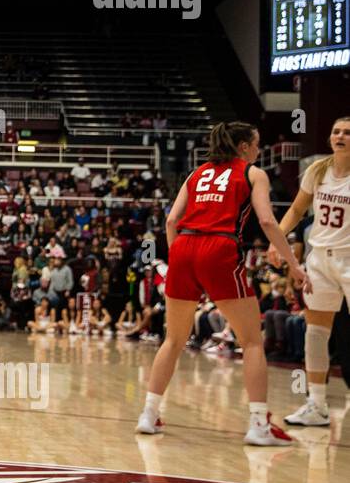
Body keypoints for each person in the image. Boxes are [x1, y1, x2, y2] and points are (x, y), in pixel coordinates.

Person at [136, 121, 307, 445]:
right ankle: (258, 424)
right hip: (219, 246)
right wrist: (293, 263)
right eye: (256, 144)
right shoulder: (253, 173)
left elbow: (172, 220)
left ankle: (149, 414)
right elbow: (268, 221)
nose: (258, 150)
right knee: (253, 341)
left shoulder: (197, 172)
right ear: (244, 147)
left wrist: (182, 260)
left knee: (173, 340)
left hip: (184, 246)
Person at [274, 116, 350, 426]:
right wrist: (277, 240)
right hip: (320, 258)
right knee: (315, 333)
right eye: (336, 131)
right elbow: (295, 209)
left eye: (347, 132)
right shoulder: (318, 170)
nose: (340, 136)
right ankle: (316, 405)